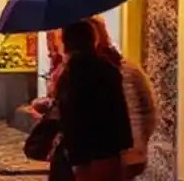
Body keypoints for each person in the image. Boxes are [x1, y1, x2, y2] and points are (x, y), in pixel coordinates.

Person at [53, 20, 133, 181]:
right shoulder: (108, 69)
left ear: (66, 44)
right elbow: (120, 114)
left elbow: (69, 119)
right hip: (109, 151)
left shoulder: (69, 75)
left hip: (82, 155)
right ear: (92, 40)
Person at [89, 17, 158, 179]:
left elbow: (141, 111)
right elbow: (150, 108)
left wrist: (136, 146)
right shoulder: (124, 67)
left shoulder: (115, 70)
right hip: (125, 153)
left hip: (116, 155)